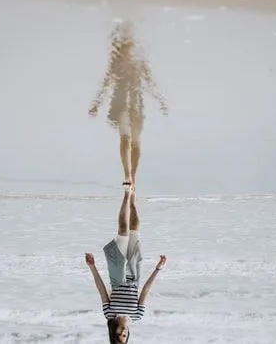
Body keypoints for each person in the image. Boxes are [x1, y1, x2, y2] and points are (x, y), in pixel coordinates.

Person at [88, 21, 168, 188]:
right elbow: (106, 82)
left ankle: (134, 175)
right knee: (125, 136)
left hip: (137, 105)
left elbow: (150, 83)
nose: (127, 48)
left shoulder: (140, 62)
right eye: (124, 45)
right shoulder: (115, 62)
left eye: (129, 44)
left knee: (136, 143)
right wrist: (96, 103)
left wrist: (161, 101)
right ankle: (127, 174)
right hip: (120, 105)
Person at [85, 187, 167, 343]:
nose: (123, 332)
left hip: (117, 276)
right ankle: (133, 199)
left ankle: (126, 194)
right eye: (124, 336)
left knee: (123, 230)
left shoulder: (109, 314)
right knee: (135, 226)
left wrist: (92, 267)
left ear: (113, 332)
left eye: (119, 335)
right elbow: (145, 290)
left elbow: (101, 290)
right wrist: (158, 269)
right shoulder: (137, 316)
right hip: (134, 275)